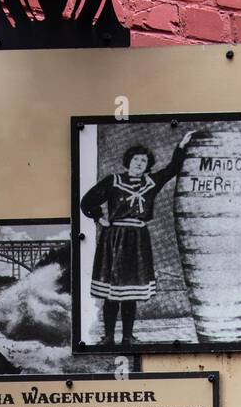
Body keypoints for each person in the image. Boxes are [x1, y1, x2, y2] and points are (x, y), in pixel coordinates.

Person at [80, 132, 194, 346]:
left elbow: (172, 169)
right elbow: (87, 201)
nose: (139, 163)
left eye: (143, 161)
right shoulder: (113, 181)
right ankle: (108, 338)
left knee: (130, 292)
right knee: (112, 293)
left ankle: (127, 337)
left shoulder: (151, 182)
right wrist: (99, 218)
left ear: (147, 165)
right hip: (115, 239)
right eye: (136, 160)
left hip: (138, 240)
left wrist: (182, 146)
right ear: (128, 162)